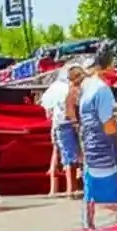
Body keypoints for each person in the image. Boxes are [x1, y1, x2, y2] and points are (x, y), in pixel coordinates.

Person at [70, 51, 117, 230]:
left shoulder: (87, 90)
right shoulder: (101, 90)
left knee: (90, 205)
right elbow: (107, 125)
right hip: (103, 157)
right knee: (108, 215)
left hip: (91, 155)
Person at [41, 65, 83, 198]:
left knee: (59, 154)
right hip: (68, 124)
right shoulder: (70, 89)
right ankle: (72, 190)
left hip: (57, 124)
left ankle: (54, 189)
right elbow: (72, 109)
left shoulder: (54, 87)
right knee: (72, 158)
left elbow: (46, 108)